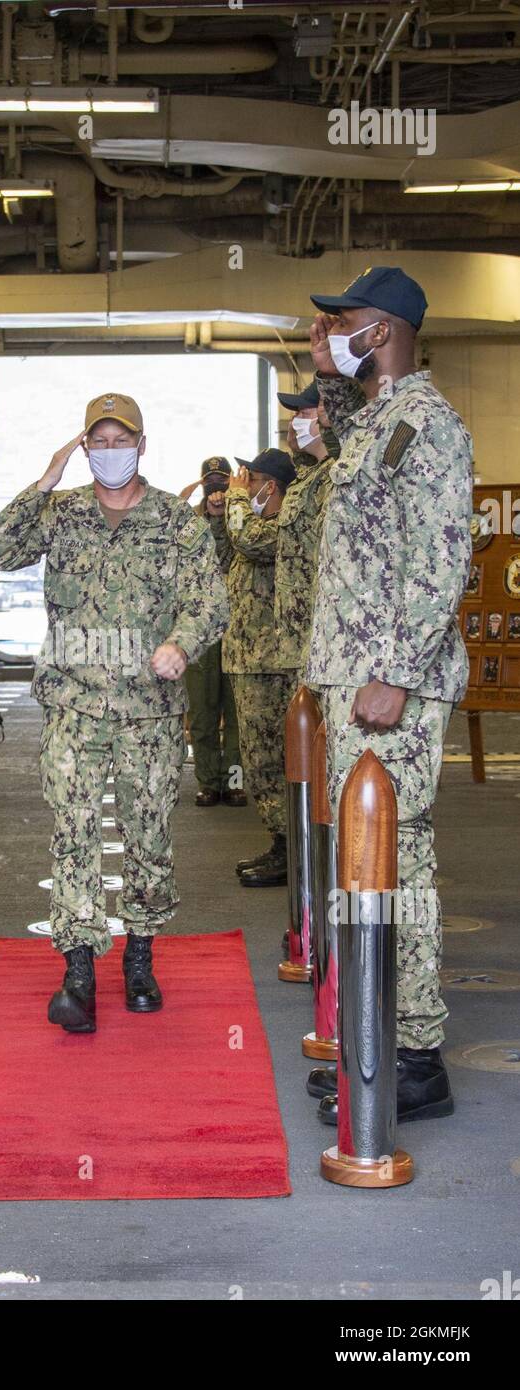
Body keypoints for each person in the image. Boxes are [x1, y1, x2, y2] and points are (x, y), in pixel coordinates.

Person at [0, 391, 228, 1033]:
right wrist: (44, 481)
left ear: (142, 446)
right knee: (75, 833)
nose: (111, 452)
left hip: (148, 709)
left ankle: (140, 956)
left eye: (122, 441)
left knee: (149, 834)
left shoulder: (177, 522)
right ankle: (80, 966)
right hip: (75, 705)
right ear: (85, 446)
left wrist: (182, 643)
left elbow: (210, 601)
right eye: (100, 441)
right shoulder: (61, 515)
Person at [302, 266, 473, 1124]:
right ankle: (377, 1037)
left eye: (346, 321)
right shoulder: (379, 423)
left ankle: (413, 1055)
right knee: (365, 869)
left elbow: (442, 560)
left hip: (386, 685)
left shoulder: (429, 425)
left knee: (395, 864)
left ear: (387, 329)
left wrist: (398, 671)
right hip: (356, 677)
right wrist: (331, 389)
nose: (333, 331)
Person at [222, 449, 297, 887]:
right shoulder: (254, 526)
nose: (242, 488)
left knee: (273, 759)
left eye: (249, 481)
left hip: (273, 663)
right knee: (259, 760)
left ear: (270, 486)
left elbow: (248, 539)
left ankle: (291, 847)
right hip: (251, 660)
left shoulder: (279, 529)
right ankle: (281, 842)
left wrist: (234, 502)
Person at [178, 457, 245, 807]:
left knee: (236, 716)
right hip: (201, 633)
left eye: (223, 486)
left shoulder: (241, 518)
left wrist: (236, 504)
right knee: (202, 715)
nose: (217, 494)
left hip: (237, 632)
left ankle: (234, 782)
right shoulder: (190, 523)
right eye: (212, 486)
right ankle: (208, 782)